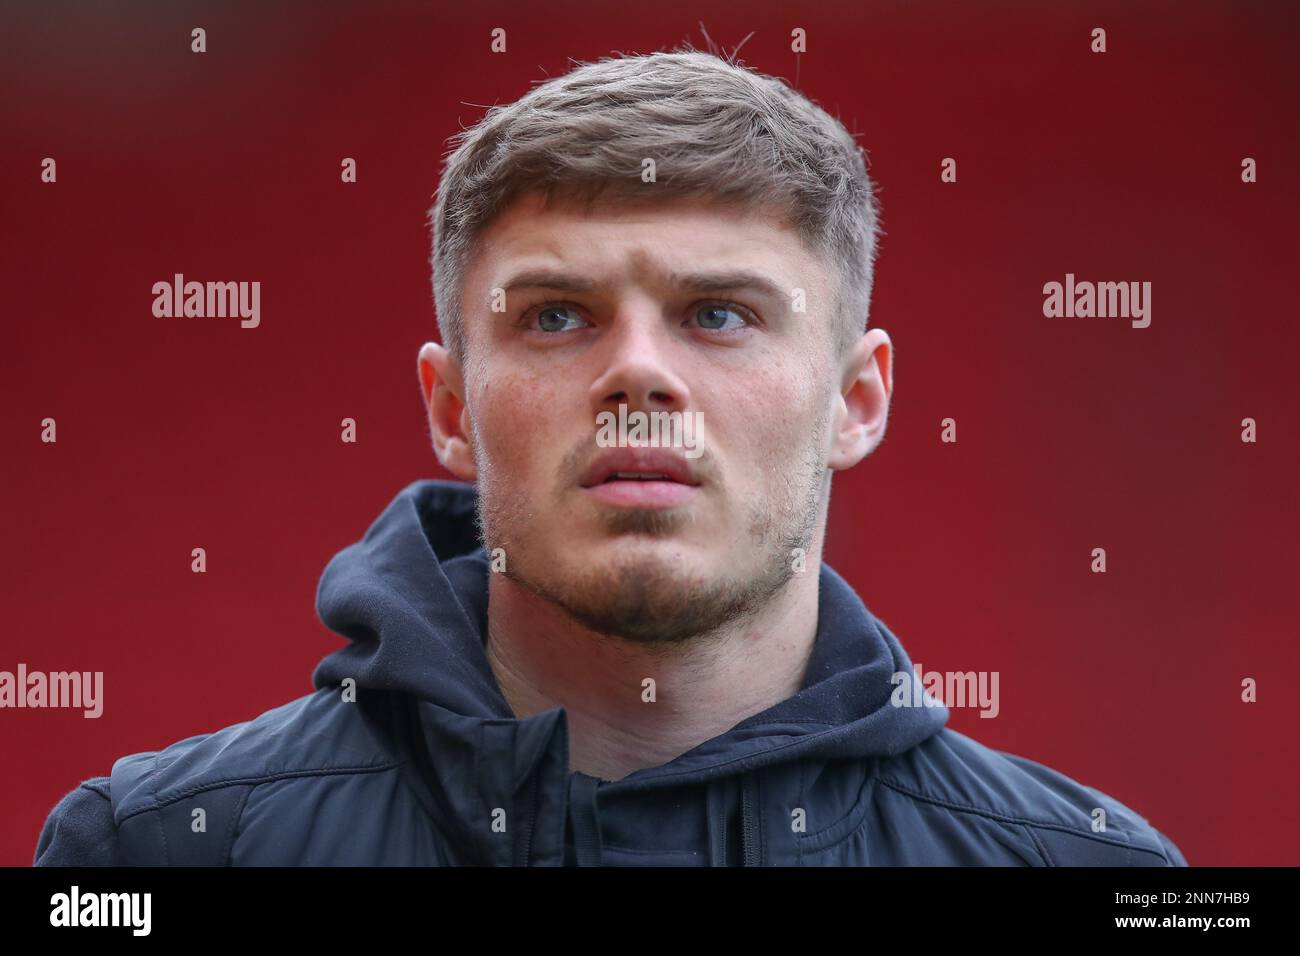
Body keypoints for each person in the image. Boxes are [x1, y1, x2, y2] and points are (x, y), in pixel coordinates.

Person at [34, 48, 1186, 866]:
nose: (639, 374)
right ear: (449, 405)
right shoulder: (152, 850)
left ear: (857, 398)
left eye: (720, 313)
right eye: (554, 316)